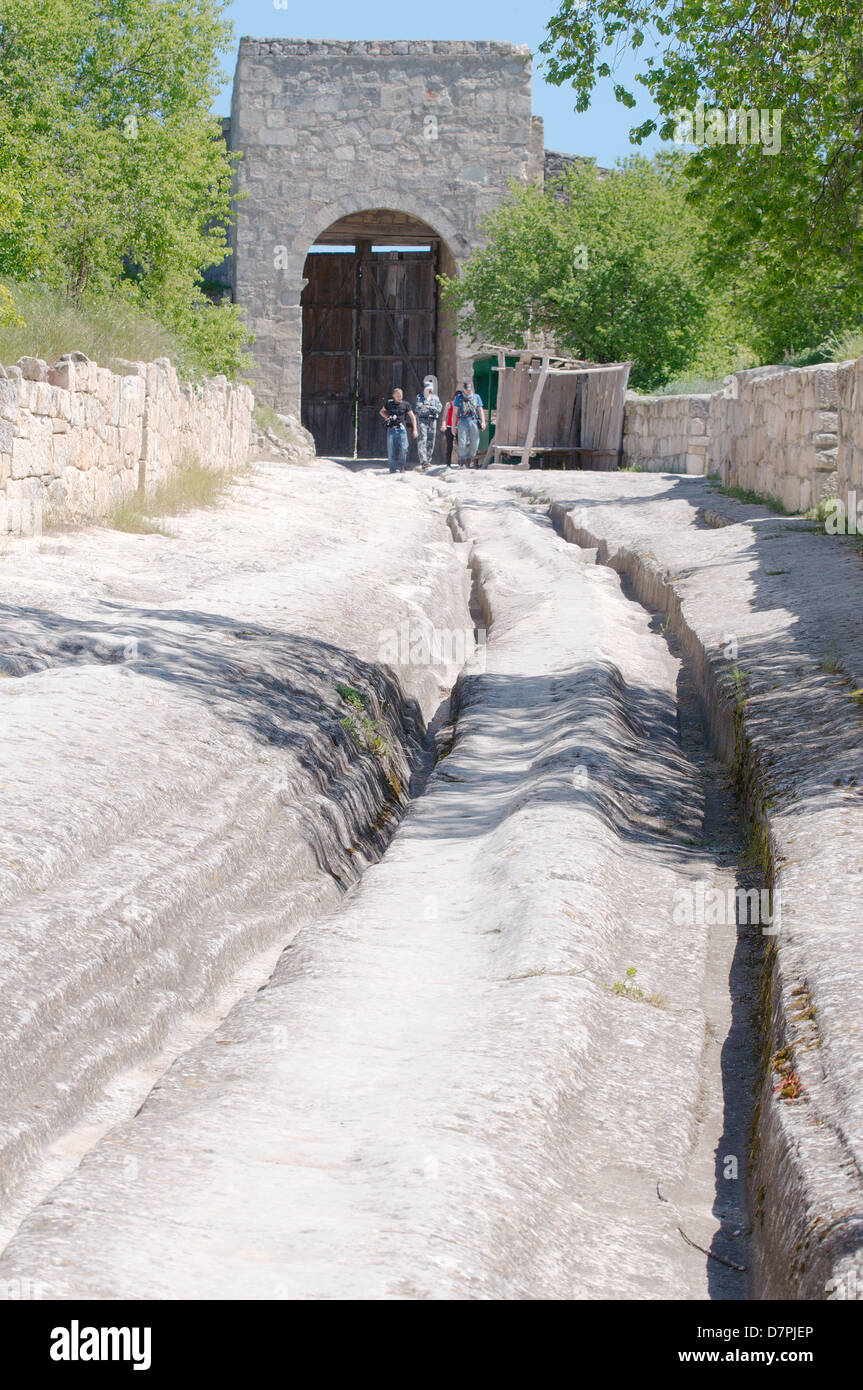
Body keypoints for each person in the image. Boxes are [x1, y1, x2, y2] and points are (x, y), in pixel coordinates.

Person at [379, 387, 417, 474]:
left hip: (402, 429)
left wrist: (415, 429)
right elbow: (381, 411)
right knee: (391, 450)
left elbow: (412, 416)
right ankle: (392, 469)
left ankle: (401, 467)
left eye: (401, 396)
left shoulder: (406, 404)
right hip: (391, 429)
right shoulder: (389, 403)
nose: (400, 397)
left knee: (404, 448)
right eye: (398, 396)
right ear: (394, 396)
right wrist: (387, 417)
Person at [453, 378, 486, 468]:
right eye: (467, 389)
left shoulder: (476, 397)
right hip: (462, 421)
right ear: (463, 389)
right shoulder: (459, 398)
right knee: (462, 442)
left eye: (470, 389)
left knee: (475, 442)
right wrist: (453, 426)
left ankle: (470, 458)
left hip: (473, 421)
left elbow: (480, 410)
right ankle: (463, 461)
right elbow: (455, 412)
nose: (468, 391)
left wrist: (483, 422)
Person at [414, 379, 442, 469]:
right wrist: (431, 410)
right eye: (427, 388)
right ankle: (423, 461)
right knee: (422, 440)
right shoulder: (420, 397)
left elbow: (439, 409)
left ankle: (428, 460)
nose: (429, 390)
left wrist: (429, 407)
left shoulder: (435, 398)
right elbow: (419, 409)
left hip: (432, 421)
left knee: (431, 441)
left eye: (430, 388)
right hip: (422, 421)